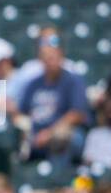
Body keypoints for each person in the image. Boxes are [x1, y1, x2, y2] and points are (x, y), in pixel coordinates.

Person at [19, 30, 90, 167]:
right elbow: (22, 112)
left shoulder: (72, 81)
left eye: (53, 57)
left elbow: (77, 114)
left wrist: (49, 134)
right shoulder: (33, 84)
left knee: (62, 138)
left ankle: (57, 180)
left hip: (64, 134)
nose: (50, 61)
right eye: (46, 57)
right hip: (36, 135)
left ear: (61, 56)